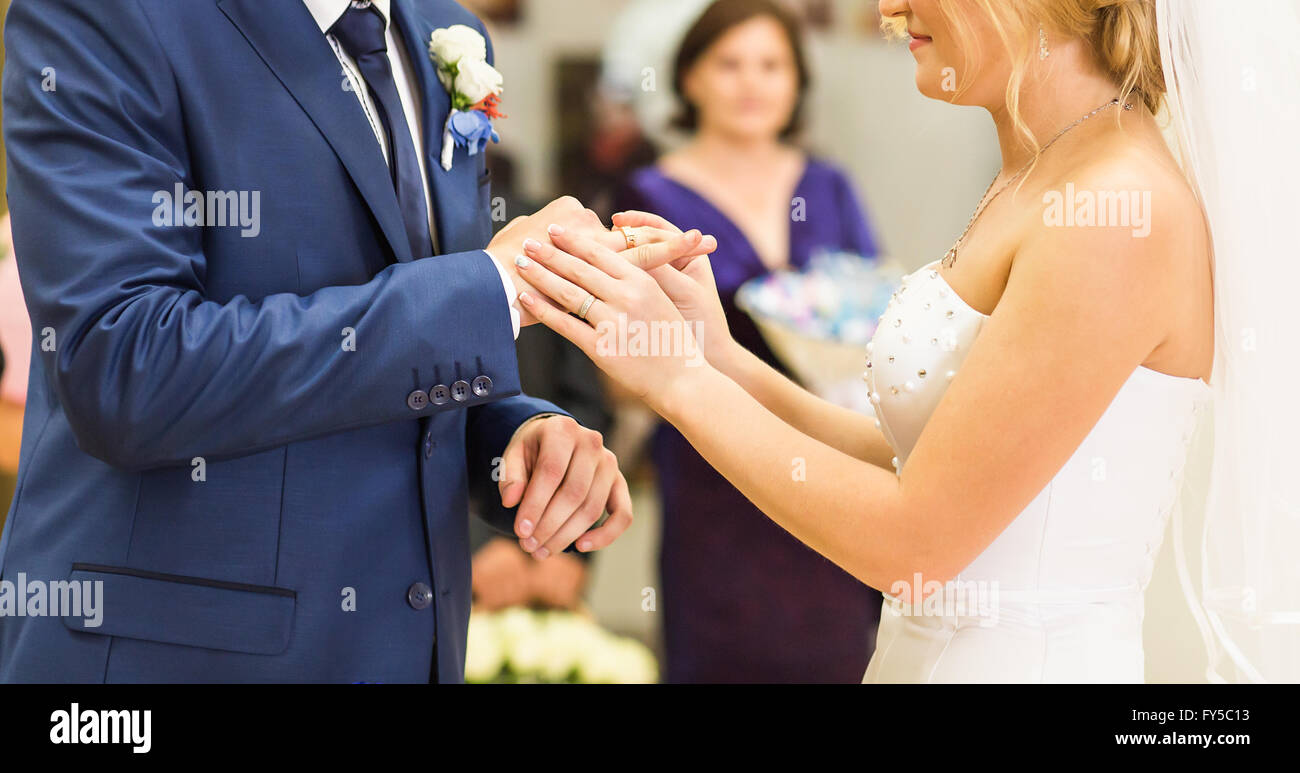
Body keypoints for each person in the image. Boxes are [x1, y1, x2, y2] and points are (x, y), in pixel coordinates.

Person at [508, 0, 1256, 682]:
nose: (888, 9)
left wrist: (678, 383)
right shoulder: (1043, 168)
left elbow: (916, 545)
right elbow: (918, 464)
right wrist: (718, 357)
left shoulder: (1112, 210)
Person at [0, 0, 706, 683]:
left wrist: (512, 436)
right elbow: (127, 370)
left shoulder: (447, 33)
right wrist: (497, 286)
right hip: (179, 654)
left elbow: (401, 347)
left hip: (407, 646)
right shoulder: (107, 13)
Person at [612, 0, 883, 683]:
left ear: (796, 82)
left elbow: (875, 306)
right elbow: (621, 337)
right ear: (689, 78)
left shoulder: (829, 185)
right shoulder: (653, 192)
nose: (751, 83)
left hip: (822, 447)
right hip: (713, 459)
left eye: (771, 65)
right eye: (728, 64)